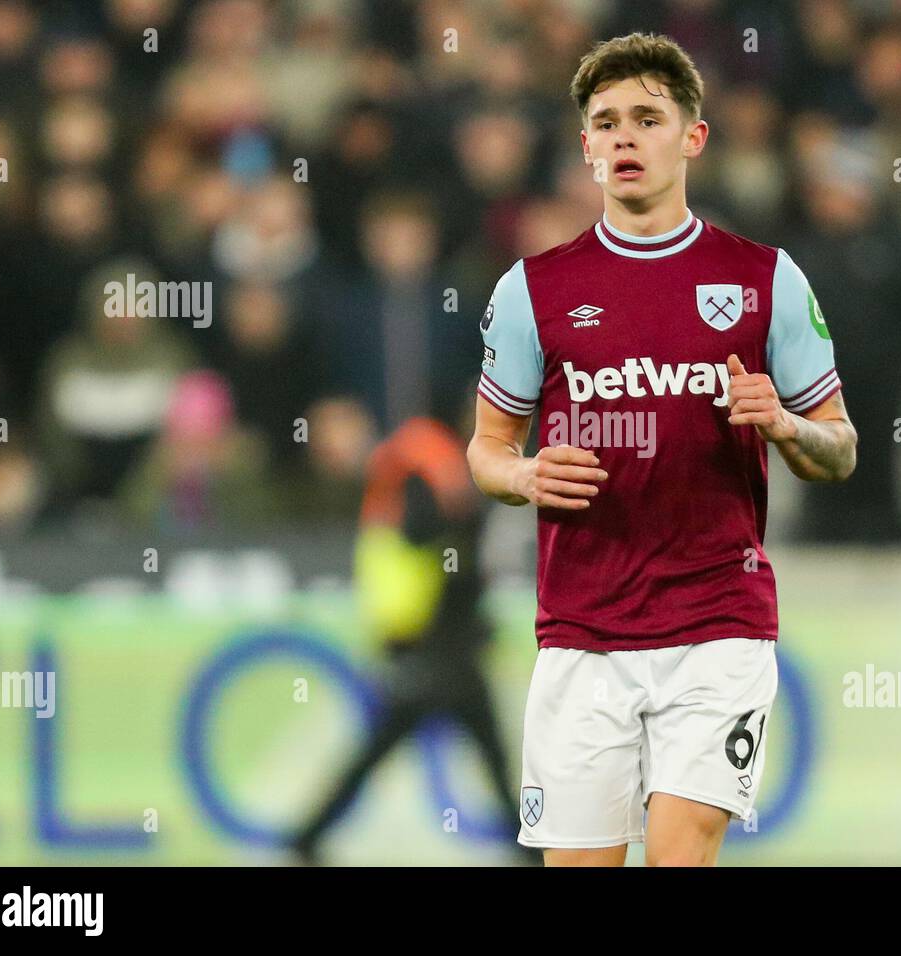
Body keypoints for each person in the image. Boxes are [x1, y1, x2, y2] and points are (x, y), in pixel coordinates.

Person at [465, 33, 858, 867]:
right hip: (581, 630)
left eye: (647, 118)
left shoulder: (766, 279)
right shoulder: (532, 291)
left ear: (693, 136)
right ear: (585, 147)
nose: (624, 138)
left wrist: (787, 427)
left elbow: (842, 447)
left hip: (718, 621)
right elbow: (486, 452)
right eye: (605, 123)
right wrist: (526, 472)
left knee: (679, 856)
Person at [292, 415, 535, 865]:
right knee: (490, 758)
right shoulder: (438, 486)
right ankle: (527, 849)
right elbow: (442, 559)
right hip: (444, 658)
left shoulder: (419, 480)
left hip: (428, 656)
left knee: (377, 753)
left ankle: (307, 837)